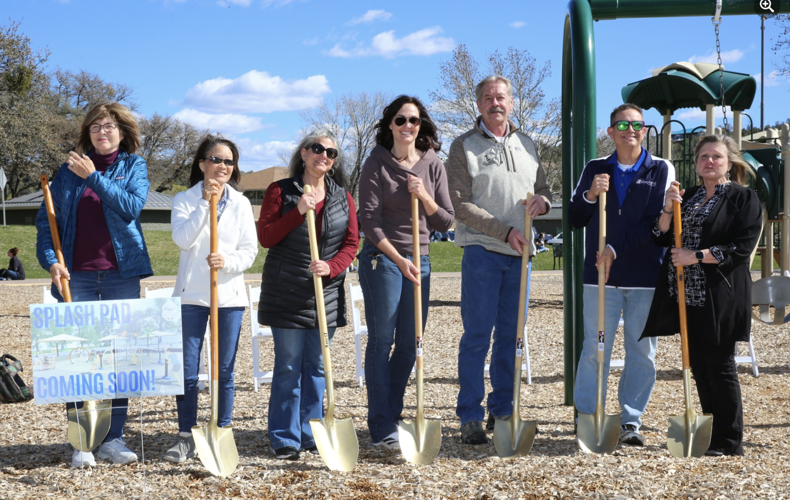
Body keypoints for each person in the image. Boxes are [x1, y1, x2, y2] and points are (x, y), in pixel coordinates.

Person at [35, 102, 153, 467]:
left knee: (119, 360)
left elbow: (130, 207)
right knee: (79, 359)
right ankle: (82, 440)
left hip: (121, 274)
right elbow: (45, 224)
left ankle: (113, 439)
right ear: (87, 133)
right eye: (96, 127)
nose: (103, 132)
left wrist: (94, 178)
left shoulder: (134, 166)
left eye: (110, 126)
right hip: (78, 277)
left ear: (122, 132)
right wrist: (52, 263)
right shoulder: (68, 171)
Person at [446, 75, 551, 445]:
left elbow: (543, 189)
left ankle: (503, 407)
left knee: (511, 336)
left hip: (521, 255)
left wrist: (544, 202)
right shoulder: (463, 147)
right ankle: (470, 415)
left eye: (501, 97)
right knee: (477, 336)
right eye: (488, 97)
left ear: (511, 102)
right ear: (479, 105)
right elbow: (460, 204)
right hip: (483, 252)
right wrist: (504, 232)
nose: (496, 102)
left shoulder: (527, 144)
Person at [642, 134, 761, 456]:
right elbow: (660, 236)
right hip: (686, 296)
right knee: (698, 365)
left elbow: (740, 248)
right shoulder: (689, 196)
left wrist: (695, 256)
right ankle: (708, 432)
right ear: (696, 164)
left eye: (716, 157)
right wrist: (668, 208)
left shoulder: (743, 198)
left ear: (730, 162)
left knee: (720, 367)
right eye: (703, 157)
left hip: (720, 296)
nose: (709, 161)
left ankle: (729, 440)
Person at [569, 103, 675, 447]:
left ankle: (630, 420)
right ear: (611, 132)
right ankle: (589, 417)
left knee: (641, 353)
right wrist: (590, 195)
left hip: (644, 276)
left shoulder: (660, 169)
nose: (631, 130)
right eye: (623, 124)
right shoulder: (595, 168)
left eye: (638, 125)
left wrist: (614, 249)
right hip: (598, 277)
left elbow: (655, 225)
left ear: (644, 130)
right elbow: (574, 217)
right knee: (593, 349)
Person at [358, 95, 454, 450]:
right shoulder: (376, 163)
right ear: (390, 126)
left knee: (411, 344)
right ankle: (381, 424)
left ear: (421, 126)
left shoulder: (433, 164)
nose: (407, 126)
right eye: (400, 120)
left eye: (413, 120)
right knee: (383, 340)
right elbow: (368, 220)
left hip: (422, 257)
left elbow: (445, 218)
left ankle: (393, 414)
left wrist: (424, 196)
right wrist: (398, 259)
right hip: (383, 258)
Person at [257, 131, 359, 461]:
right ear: (304, 153)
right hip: (287, 292)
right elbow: (267, 237)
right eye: (318, 149)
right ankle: (285, 436)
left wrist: (332, 267)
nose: (324, 155)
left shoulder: (343, 196)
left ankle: (311, 429)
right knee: (288, 367)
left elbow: (351, 243)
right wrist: (298, 209)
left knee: (317, 367)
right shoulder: (280, 191)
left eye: (331, 152)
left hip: (324, 295)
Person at [164, 135, 258, 463]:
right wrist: (206, 203)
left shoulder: (242, 204)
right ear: (202, 163)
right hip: (192, 296)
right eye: (216, 159)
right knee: (188, 370)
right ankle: (186, 434)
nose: (222, 166)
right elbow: (183, 240)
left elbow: (250, 250)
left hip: (228, 296)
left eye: (229, 162)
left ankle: (222, 429)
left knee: (224, 370)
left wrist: (226, 262)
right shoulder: (185, 200)